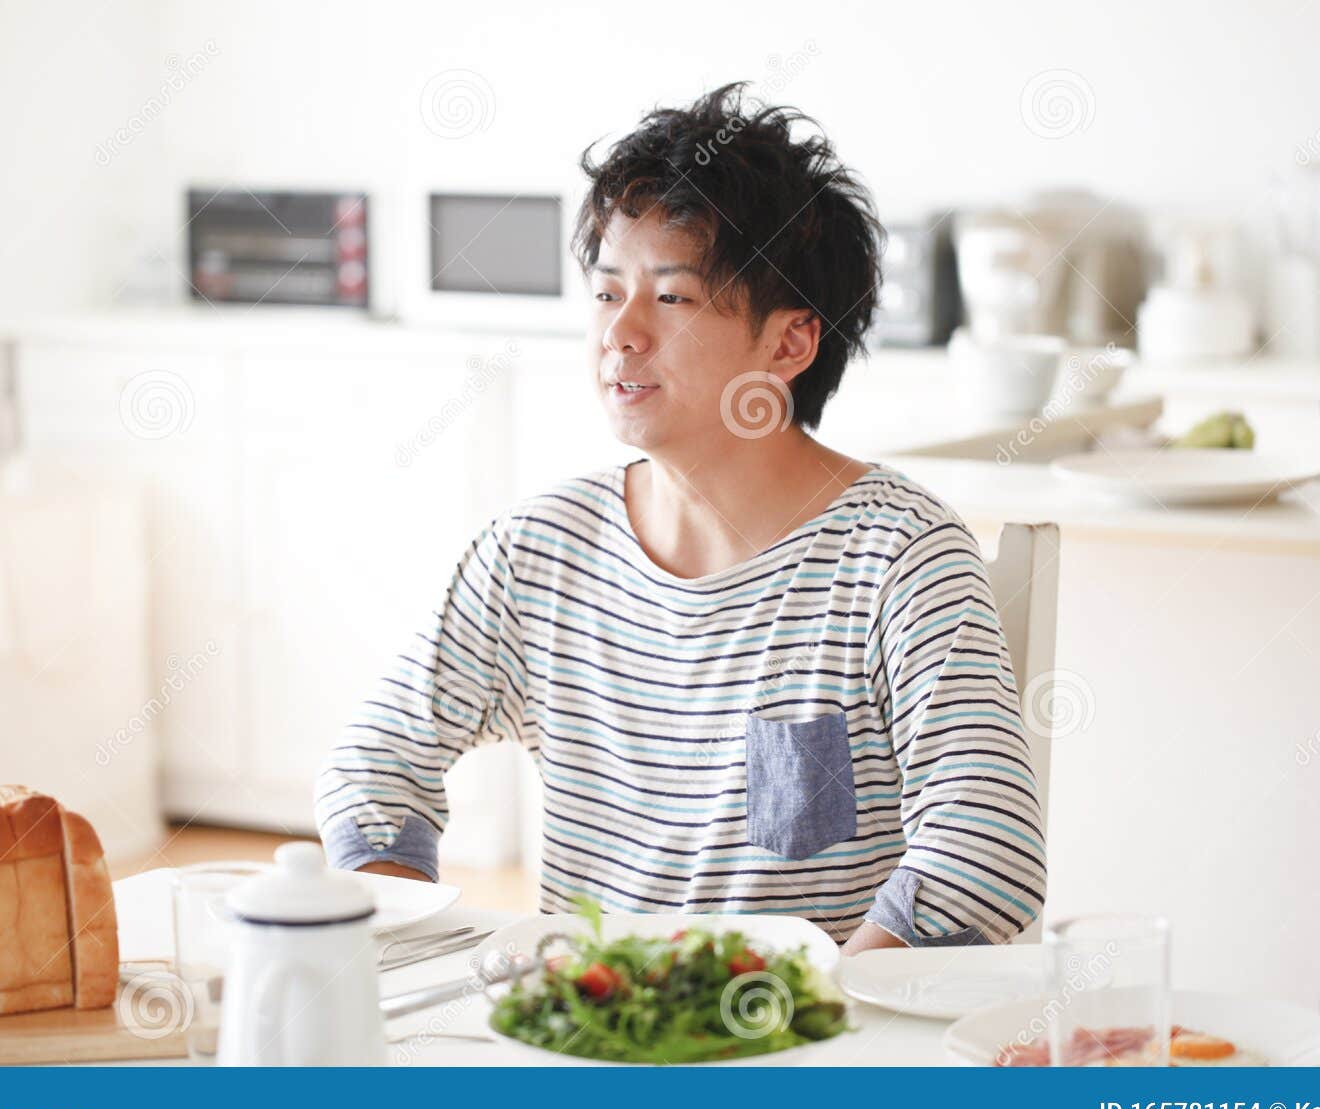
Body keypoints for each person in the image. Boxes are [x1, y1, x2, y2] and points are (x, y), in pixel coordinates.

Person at [315, 83, 1045, 952]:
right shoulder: (537, 553)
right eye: (605, 292)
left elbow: (986, 848)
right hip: (588, 1040)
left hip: (804, 1056)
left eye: (671, 299)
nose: (620, 334)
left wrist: (827, 1011)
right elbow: (372, 772)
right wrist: (412, 952)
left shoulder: (899, 557)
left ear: (789, 344)